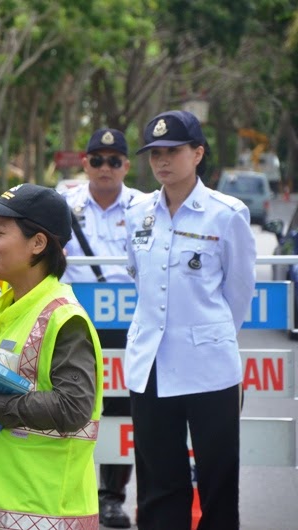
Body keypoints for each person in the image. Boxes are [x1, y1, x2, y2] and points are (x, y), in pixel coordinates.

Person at [0, 183, 103, 529]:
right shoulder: (1, 308)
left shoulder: (64, 318)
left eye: (0, 232)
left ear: (38, 244)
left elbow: (74, 408)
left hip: (37, 515)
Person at [126, 110, 256, 530]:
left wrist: (210, 337)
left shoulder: (226, 212)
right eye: (155, 153)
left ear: (198, 153)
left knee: (217, 482)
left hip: (209, 369)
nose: (162, 160)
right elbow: (137, 274)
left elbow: (238, 292)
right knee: (159, 481)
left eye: (173, 151)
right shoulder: (138, 212)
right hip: (151, 366)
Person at [60, 127, 138, 528]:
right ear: (85, 163)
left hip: (129, 326)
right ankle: (69, 492)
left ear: (126, 165)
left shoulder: (147, 207)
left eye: (114, 160)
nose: (105, 167)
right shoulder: (64, 207)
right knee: (74, 402)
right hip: (77, 322)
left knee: (122, 409)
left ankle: (110, 497)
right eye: (97, 159)